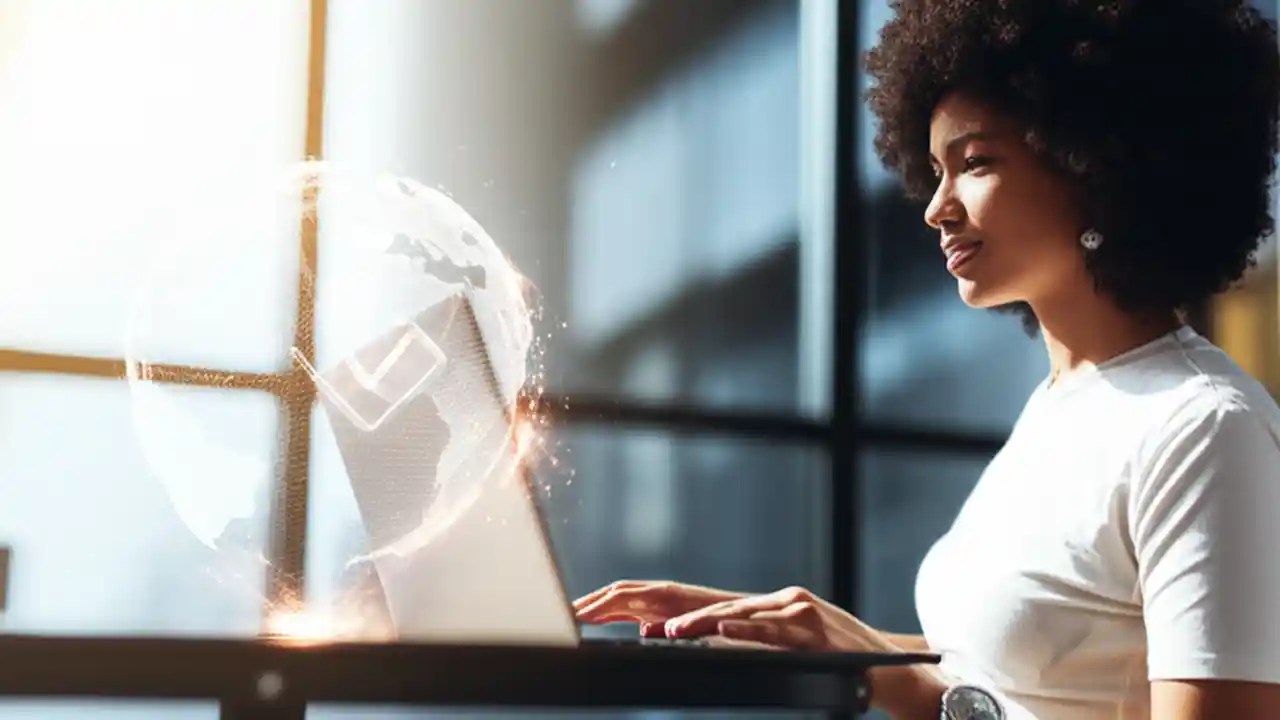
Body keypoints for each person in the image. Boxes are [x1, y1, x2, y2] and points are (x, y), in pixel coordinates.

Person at [574, 1, 1280, 718]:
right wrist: (808, 635)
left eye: (974, 163)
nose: (936, 207)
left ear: (1096, 165)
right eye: (935, 171)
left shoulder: (1202, 428)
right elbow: (1011, 683)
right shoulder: (1063, 408)